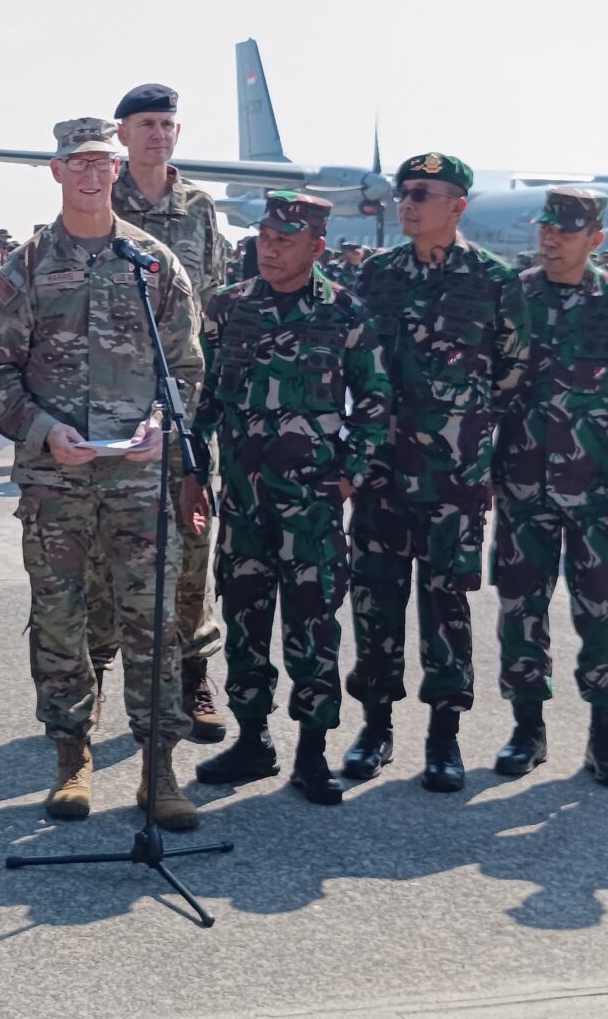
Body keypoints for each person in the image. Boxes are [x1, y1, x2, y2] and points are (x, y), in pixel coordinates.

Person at [0, 117, 205, 830]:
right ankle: (71, 756)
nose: (90, 174)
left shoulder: (152, 262)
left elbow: (189, 369)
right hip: (57, 484)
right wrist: (45, 433)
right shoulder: (27, 268)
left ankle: (158, 767)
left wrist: (163, 426)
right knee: (61, 621)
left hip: (140, 482)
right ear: (55, 171)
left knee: (153, 622)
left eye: (101, 163)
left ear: (115, 170)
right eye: (77, 163)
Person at [185, 191, 390, 804]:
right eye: (265, 239)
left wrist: (351, 471)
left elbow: (376, 402)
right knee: (246, 621)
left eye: (284, 241)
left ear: (317, 248)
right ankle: (252, 740)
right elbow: (202, 401)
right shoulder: (226, 308)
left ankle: (312, 751)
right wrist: (194, 470)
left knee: (313, 626)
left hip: (312, 507)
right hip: (244, 500)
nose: (268, 249)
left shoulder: (344, 314)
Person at [346, 152, 529, 792]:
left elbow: (510, 371)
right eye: (404, 192)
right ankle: (375, 727)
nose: (407, 202)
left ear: (457, 205)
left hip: (454, 479)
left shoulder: (495, 280)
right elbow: (352, 364)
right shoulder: (375, 277)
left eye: (423, 193)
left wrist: (465, 431)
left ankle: (444, 736)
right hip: (381, 472)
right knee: (375, 599)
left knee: (447, 603)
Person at [490, 188, 608, 788]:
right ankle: (527, 731)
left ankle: (605, 741)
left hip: (598, 493)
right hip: (522, 485)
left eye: (565, 231)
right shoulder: (513, 299)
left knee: (603, 615)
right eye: (546, 228)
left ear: (595, 240)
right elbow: (491, 392)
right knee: (520, 609)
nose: (551, 238)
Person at [85, 82, 232, 742]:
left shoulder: (199, 207)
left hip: (182, 405)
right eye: (146, 124)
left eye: (168, 124)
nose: (158, 135)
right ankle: (91, 682)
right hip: (107, 405)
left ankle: (193, 680)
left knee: (190, 540)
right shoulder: (97, 199)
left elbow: (215, 307)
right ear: (123, 134)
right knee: (100, 549)